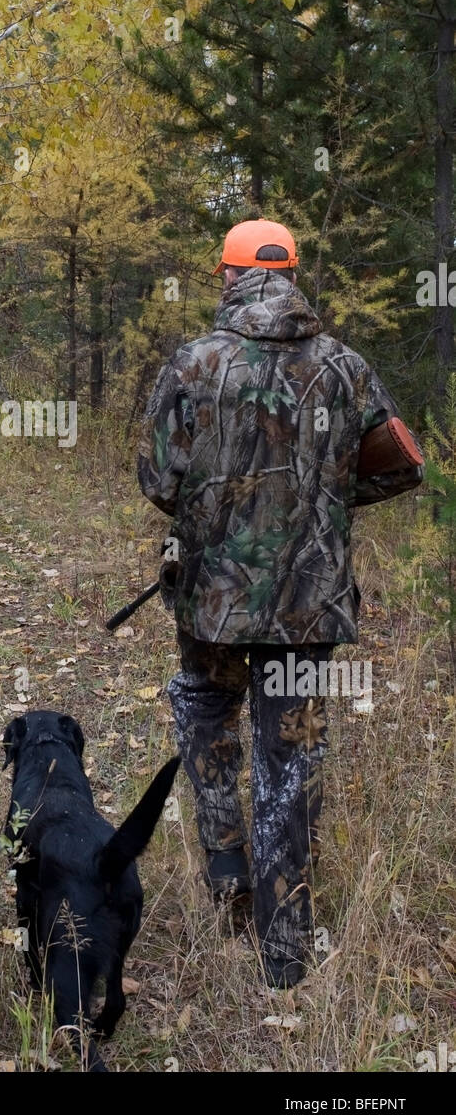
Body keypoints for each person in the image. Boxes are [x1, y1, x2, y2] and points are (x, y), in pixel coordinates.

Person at [138, 219, 424, 988]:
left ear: (227, 278)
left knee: (202, 706)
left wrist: (221, 509)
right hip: (310, 601)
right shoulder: (346, 367)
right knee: (290, 752)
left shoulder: (195, 363)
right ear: (293, 274)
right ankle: (286, 945)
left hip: (215, 602)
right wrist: (325, 497)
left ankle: (229, 870)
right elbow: (403, 466)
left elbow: (159, 482)